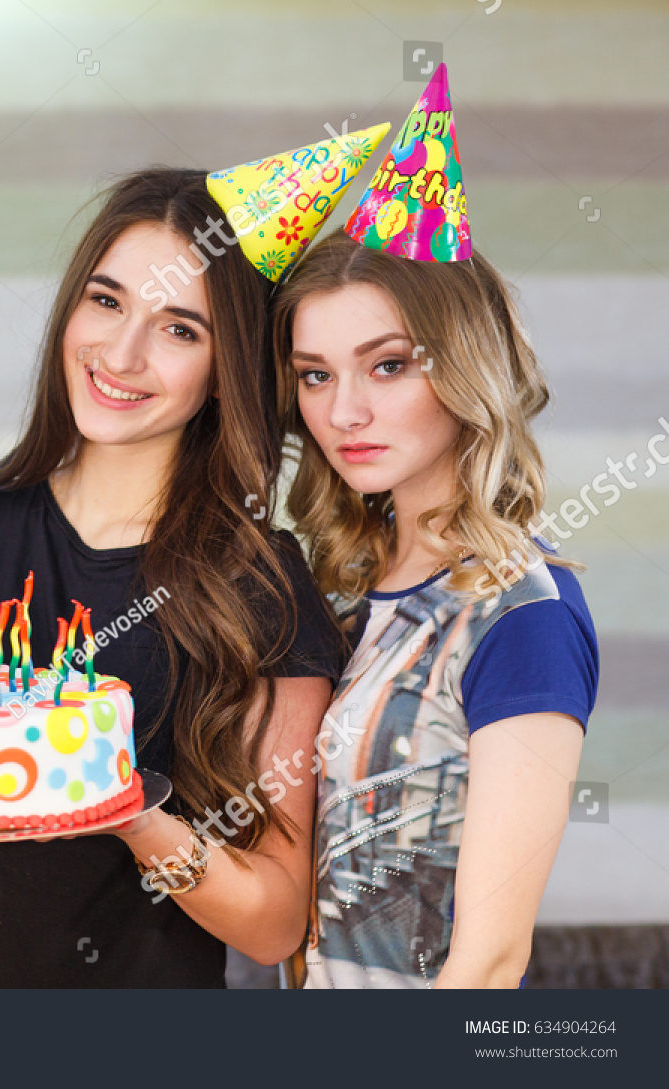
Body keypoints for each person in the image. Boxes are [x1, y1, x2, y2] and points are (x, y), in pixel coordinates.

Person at [0, 162, 358, 987]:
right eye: (107, 300)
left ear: (224, 369)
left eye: (179, 329)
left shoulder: (261, 585)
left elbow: (274, 922)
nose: (121, 353)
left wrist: (124, 808)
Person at [276, 64, 598, 988]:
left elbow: (490, 958)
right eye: (315, 374)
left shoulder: (522, 613)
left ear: (463, 367)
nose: (344, 411)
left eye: (387, 365)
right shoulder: (341, 591)